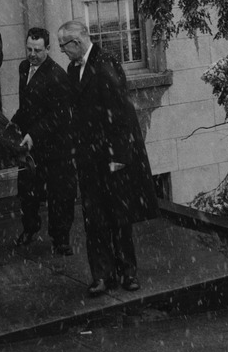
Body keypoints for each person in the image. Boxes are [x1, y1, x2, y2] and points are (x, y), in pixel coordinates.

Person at [56, 20, 159, 296]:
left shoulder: (106, 64)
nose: (62, 52)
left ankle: (127, 272)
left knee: (118, 217)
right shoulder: (72, 68)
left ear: (76, 43)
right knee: (95, 217)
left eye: (63, 47)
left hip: (111, 157)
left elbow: (121, 114)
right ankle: (102, 275)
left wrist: (119, 156)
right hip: (89, 157)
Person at [10, 27, 76, 256]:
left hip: (56, 146)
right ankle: (29, 228)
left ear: (47, 49)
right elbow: (27, 106)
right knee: (28, 191)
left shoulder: (58, 76)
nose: (32, 54)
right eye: (29, 49)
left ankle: (61, 239)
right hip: (31, 146)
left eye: (37, 50)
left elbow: (58, 116)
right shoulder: (23, 68)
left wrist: (34, 134)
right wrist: (13, 123)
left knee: (59, 195)